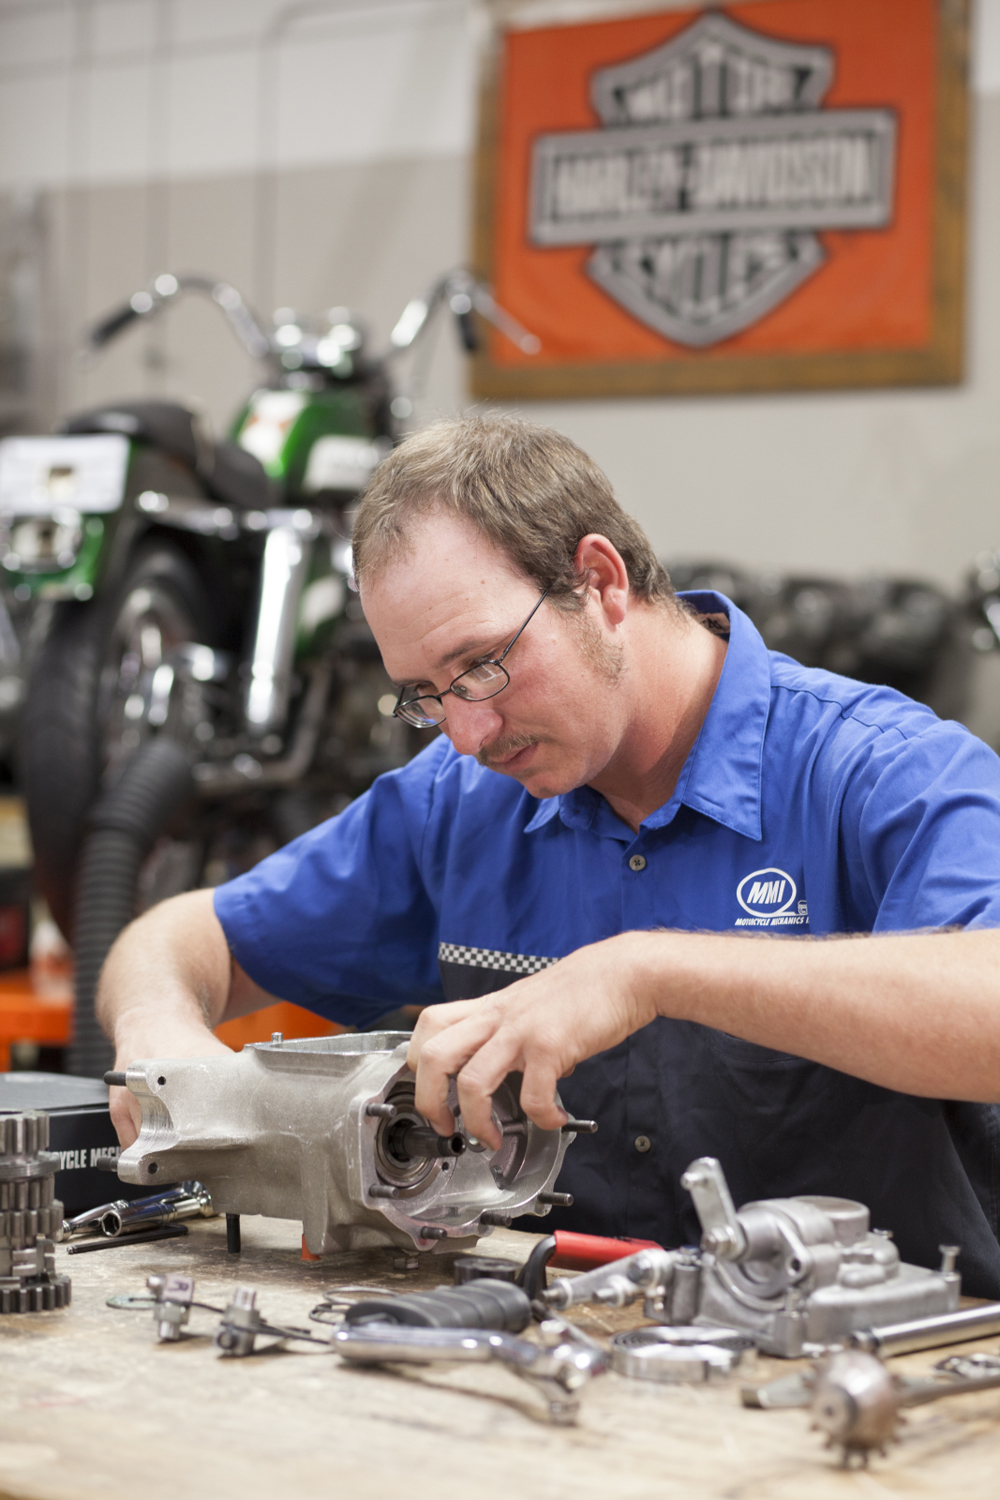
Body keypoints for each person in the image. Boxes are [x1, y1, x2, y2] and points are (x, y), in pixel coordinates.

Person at [100, 416, 1000, 1294]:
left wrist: (652, 972)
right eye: (424, 695)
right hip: (560, 1368)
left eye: (483, 663)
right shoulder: (458, 804)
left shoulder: (882, 772)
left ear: (600, 582)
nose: (466, 732)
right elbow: (177, 939)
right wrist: (157, 1037)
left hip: (878, 1386)